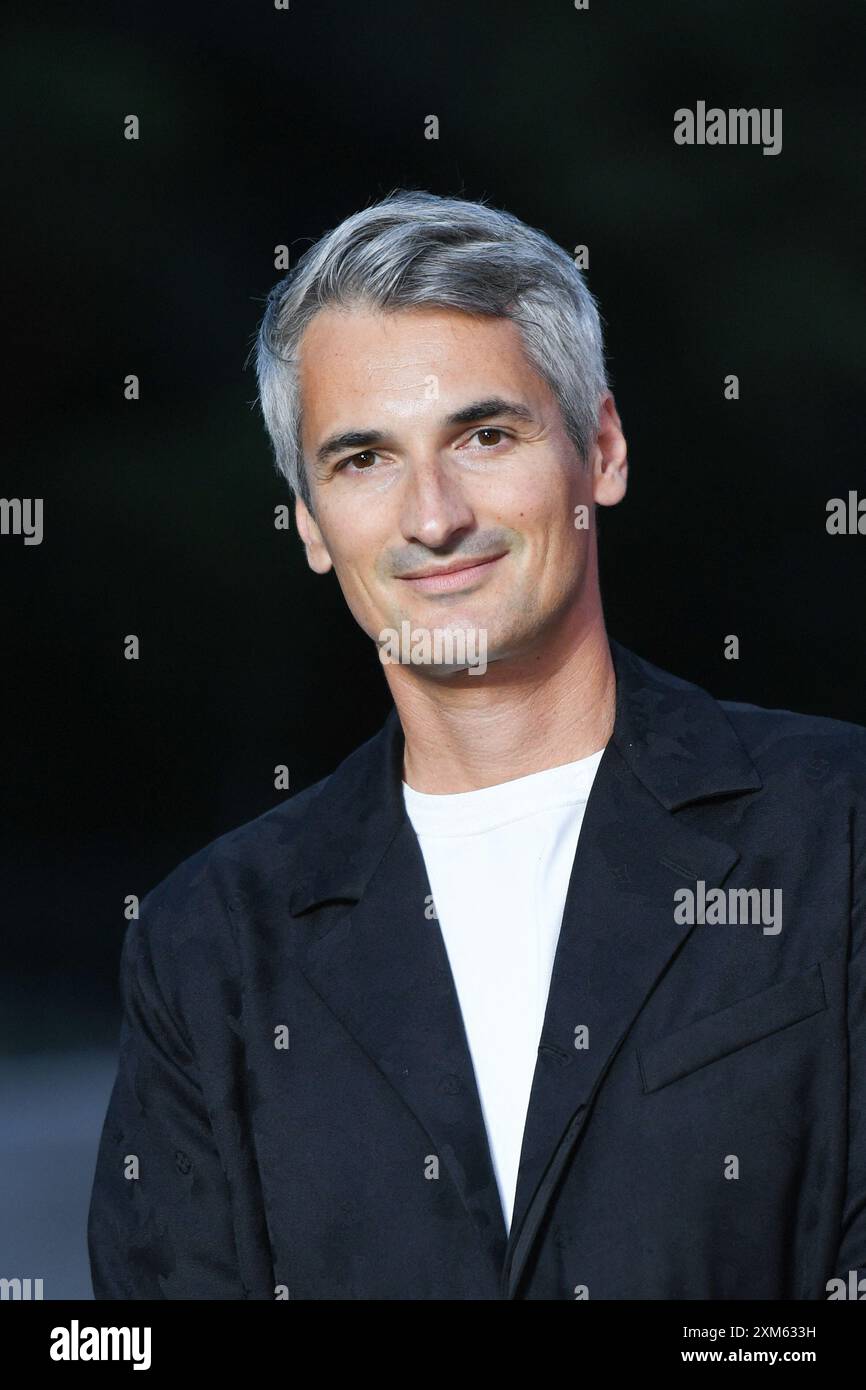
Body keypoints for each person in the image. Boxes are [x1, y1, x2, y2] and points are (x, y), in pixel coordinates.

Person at [88, 190, 866, 1299]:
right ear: (309, 521)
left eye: (485, 436)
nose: (434, 516)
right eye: (364, 459)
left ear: (601, 450)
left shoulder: (836, 829)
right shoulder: (208, 943)